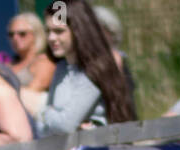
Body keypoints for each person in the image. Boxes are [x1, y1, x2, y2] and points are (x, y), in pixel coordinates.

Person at [21, 0, 134, 136]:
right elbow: (49, 130)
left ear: (78, 31)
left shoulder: (96, 69)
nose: (51, 38)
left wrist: (38, 108)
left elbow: (65, 125)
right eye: (48, 31)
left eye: (59, 31)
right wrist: (52, 118)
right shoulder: (62, 67)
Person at [6, 12, 55, 94]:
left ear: (36, 34)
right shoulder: (8, 65)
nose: (15, 38)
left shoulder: (44, 62)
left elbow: (32, 92)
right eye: (11, 34)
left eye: (22, 34)